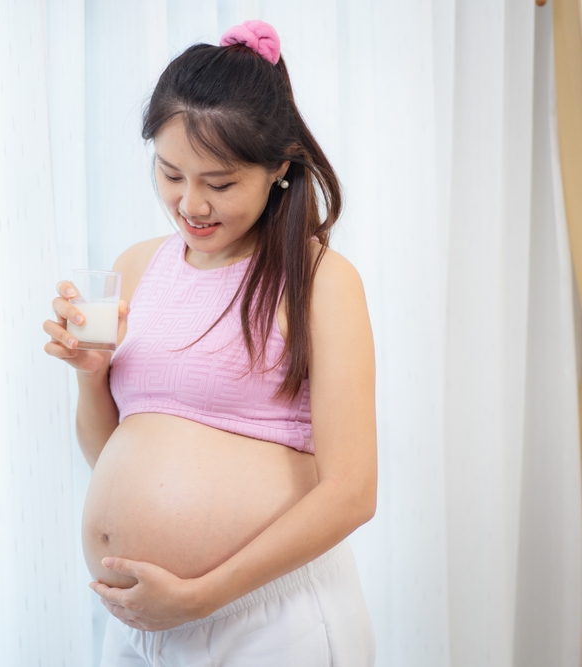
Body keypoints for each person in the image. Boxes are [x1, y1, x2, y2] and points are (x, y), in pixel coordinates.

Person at [43, 20, 376, 666]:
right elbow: (105, 452)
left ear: (279, 165)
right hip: (139, 626)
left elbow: (352, 489)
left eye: (218, 183)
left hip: (267, 617)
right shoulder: (138, 267)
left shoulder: (319, 281)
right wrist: (91, 373)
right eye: (170, 174)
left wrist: (200, 594)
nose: (189, 203)